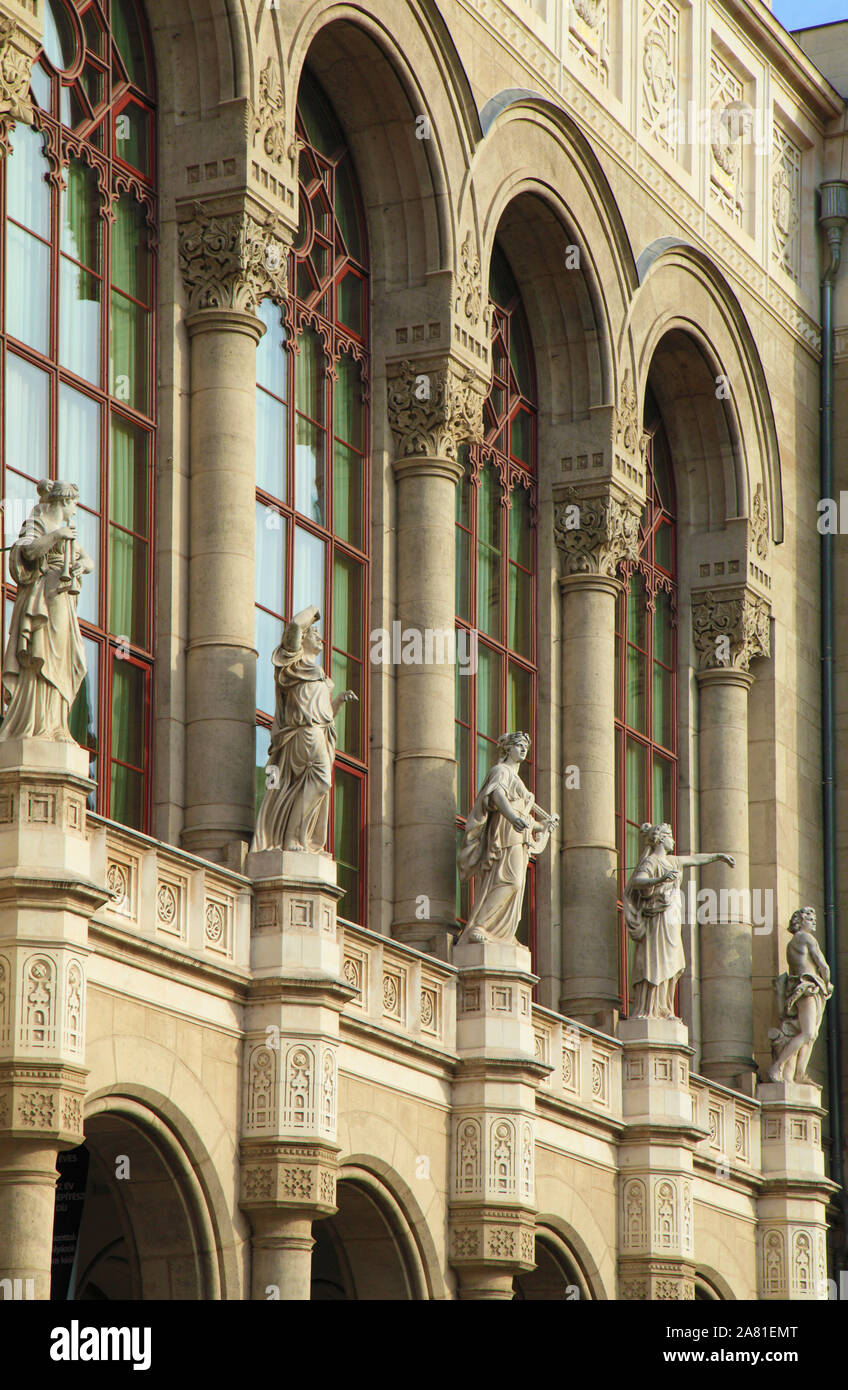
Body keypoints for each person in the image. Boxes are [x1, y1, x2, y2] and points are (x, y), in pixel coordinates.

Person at [252, 604, 357, 853]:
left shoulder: (319, 673)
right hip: (304, 733)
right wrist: (314, 610)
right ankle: (290, 838)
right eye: (314, 633)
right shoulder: (293, 662)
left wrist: (340, 699)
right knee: (322, 781)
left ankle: (295, 837)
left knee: (316, 784)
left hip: (318, 732)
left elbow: (325, 713)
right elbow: (296, 624)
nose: (319, 637)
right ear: (302, 639)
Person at [0, 479, 93, 743]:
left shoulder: (68, 530)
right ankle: (34, 723)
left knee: (63, 659)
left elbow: (89, 561)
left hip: (62, 599)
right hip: (42, 598)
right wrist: (55, 537)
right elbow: (26, 551)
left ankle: (56, 724)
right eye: (74, 503)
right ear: (63, 501)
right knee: (40, 654)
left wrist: (81, 566)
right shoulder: (37, 523)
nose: (76, 509)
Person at [623, 823, 734, 1020]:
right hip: (657, 918)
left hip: (671, 917)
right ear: (661, 839)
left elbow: (695, 859)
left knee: (672, 961)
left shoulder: (673, 861)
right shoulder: (651, 861)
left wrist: (718, 856)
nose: (673, 840)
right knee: (656, 959)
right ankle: (650, 1008)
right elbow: (637, 881)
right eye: (671, 836)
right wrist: (659, 880)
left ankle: (665, 1007)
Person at [457, 731, 558, 945]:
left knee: (516, 884)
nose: (523, 749)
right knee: (509, 880)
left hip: (517, 834)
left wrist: (543, 825)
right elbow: (497, 795)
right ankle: (480, 925)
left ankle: (501, 932)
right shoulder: (501, 771)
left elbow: (524, 816)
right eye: (519, 745)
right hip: (505, 832)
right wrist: (512, 817)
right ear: (507, 749)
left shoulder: (517, 779)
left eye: (525, 747)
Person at [768, 906, 832, 1084]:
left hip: (803, 986)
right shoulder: (806, 938)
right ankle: (778, 1065)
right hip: (808, 987)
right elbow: (823, 965)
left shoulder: (793, 943)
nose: (814, 922)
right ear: (800, 921)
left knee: (811, 1034)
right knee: (808, 1032)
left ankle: (799, 1073)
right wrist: (827, 984)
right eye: (810, 919)